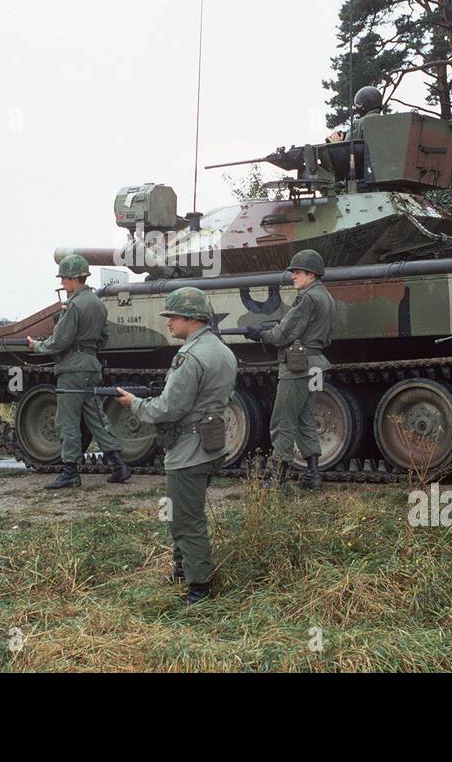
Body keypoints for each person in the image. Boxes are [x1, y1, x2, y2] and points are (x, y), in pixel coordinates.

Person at [116, 287, 237, 604]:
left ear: (191, 318)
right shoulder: (223, 350)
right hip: (211, 444)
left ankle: (199, 586)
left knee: (186, 519)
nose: (168, 322)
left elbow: (168, 409)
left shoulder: (190, 356)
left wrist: (134, 405)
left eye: (173, 316)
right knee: (182, 512)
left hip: (189, 449)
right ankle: (183, 569)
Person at [30, 254, 131, 489]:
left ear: (74, 278)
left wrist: (37, 346)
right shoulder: (97, 303)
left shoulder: (74, 305)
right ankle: (118, 465)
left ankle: (70, 472)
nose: (63, 284)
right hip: (91, 365)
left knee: (68, 421)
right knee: (97, 417)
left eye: (64, 279)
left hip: (72, 369)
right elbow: (104, 336)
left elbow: (59, 341)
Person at [248, 249, 335, 490]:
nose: (292, 276)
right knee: (305, 417)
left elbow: (281, 334)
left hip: (298, 367)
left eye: (296, 272)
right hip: (316, 363)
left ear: (311, 273)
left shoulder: (307, 298)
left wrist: (259, 334)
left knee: (282, 420)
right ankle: (313, 475)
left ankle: (278, 478)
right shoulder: (326, 297)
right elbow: (326, 337)